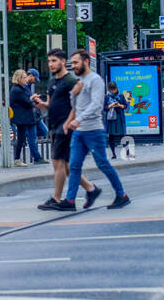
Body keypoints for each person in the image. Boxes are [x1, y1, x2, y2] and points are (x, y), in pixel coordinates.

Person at [56, 50, 130, 211]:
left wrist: (78, 120)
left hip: (94, 130)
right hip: (79, 132)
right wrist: (73, 95)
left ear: (86, 62)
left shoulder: (95, 80)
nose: (73, 66)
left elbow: (96, 105)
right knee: (74, 166)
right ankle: (70, 201)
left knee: (102, 163)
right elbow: (76, 106)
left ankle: (121, 195)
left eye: (76, 62)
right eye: (72, 63)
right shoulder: (79, 80)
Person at [32, 49, 93, 211]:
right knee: (65, 167)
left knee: (58, 164)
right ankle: (91, 189)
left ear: (62, 61)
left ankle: (56, 198)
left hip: (66, 128)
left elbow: (81, 104)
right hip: (56, 126)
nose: (51, 64)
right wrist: (42, 104)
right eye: (49, 61)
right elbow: (51, 105)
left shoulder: (71, 81)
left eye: (54, 61)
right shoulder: (52, 82)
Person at [9, 69, 43, 165]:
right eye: (23, 77)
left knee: (22, 137)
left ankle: (17, 159)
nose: (25, 79)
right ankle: (17, 159)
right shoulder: (17, 90)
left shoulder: (19, 89)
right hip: (21, 118)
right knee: (21, 138)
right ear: (19, 78)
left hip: (23, 117)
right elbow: (27, 103)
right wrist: (32, 98)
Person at [105, 81, 127, 158]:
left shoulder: (121, 96)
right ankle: (113, 153)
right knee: (111, 136)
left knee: (122, 135)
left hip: (119, 118)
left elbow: (126, 106)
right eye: (111, 89)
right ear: (109, 89)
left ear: (116, 88)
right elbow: (104, 108)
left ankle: (126, 151)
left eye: (114, 89)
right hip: (111, 119)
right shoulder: (107, 97)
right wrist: (111, 105)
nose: (113, 91)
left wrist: (120, 105)